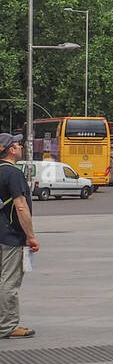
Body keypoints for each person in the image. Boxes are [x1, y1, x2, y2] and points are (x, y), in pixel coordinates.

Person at [0, 132, 38, 337]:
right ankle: (7, 326)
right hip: (10, 235)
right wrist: (30, 235)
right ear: (11, 150)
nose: (22, 146)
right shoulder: (13, 173)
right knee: (9, 281)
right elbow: (21, 206)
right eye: (18, 144)